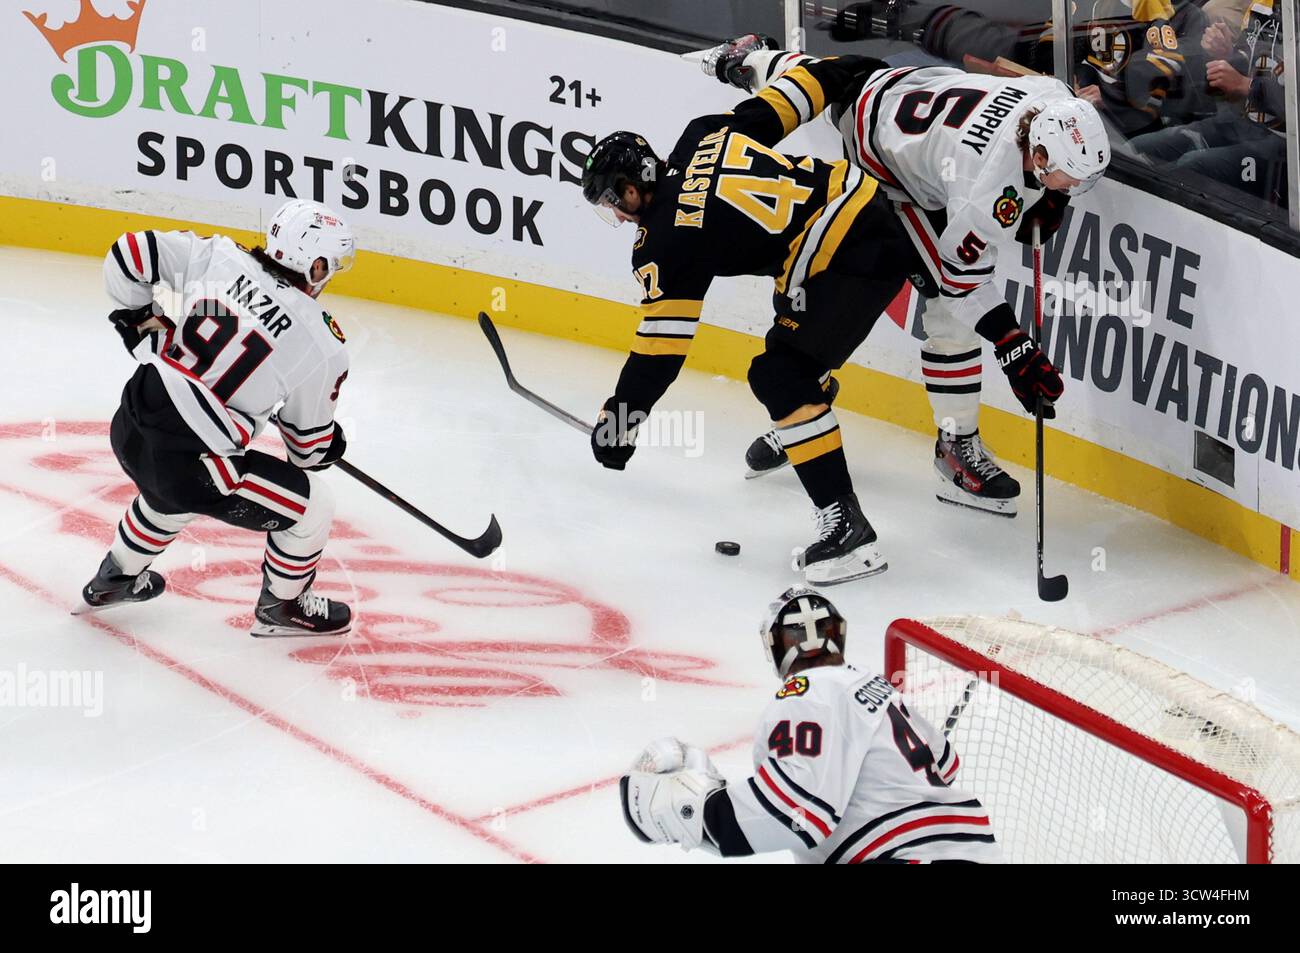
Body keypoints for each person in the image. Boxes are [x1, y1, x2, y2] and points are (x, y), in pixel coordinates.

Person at [581, 49, 932, 585]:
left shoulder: (664, 245)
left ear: (632, 187)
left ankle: (847, 529)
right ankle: (804, 429)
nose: (619, 214)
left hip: (853, 254)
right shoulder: (701, 135)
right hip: (870, 206)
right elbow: (797, 92)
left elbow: (661, 350)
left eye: (613, 201)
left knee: (779, 376)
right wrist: (857, 65)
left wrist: (623, 418)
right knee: (791, 324)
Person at [715, 37, 1106, 517]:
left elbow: (816, 77)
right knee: (901, 300)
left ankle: (750, 57)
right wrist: (1013, 346)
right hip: (881, 166)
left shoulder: (1052, 100)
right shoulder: (984, 194)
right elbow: (962, 284)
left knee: (820, 80)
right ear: (1040, 156)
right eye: (1072, 176)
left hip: (898, 87)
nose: (1079, 188)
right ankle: (840, 415)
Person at [78, 199, 355, 637]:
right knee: (313, 507)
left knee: (168, 489)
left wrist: (139, 320)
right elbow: (307, 451)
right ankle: (282, 608)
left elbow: (129, 251)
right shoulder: (323, 343)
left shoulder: (218, 256)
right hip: (191, 467)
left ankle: (115, 578)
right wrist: (328, 442)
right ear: (317, 266)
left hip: (131, 423)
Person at [619, 586, 1001, 863]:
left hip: (903, 854)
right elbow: (944, 763)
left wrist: (697, 817)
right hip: (965, 850)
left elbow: (797, 814)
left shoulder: (806, 694)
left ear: (776, 647)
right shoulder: (875, 686)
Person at [1131, 1, 1287, 207]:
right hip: (1244, 124)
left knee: (1192, 168)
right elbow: (1248, 62)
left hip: (1285, 146)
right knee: (1136, 150)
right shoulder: (1261, 5)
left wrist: (1247, 86)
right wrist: (1226, 53)